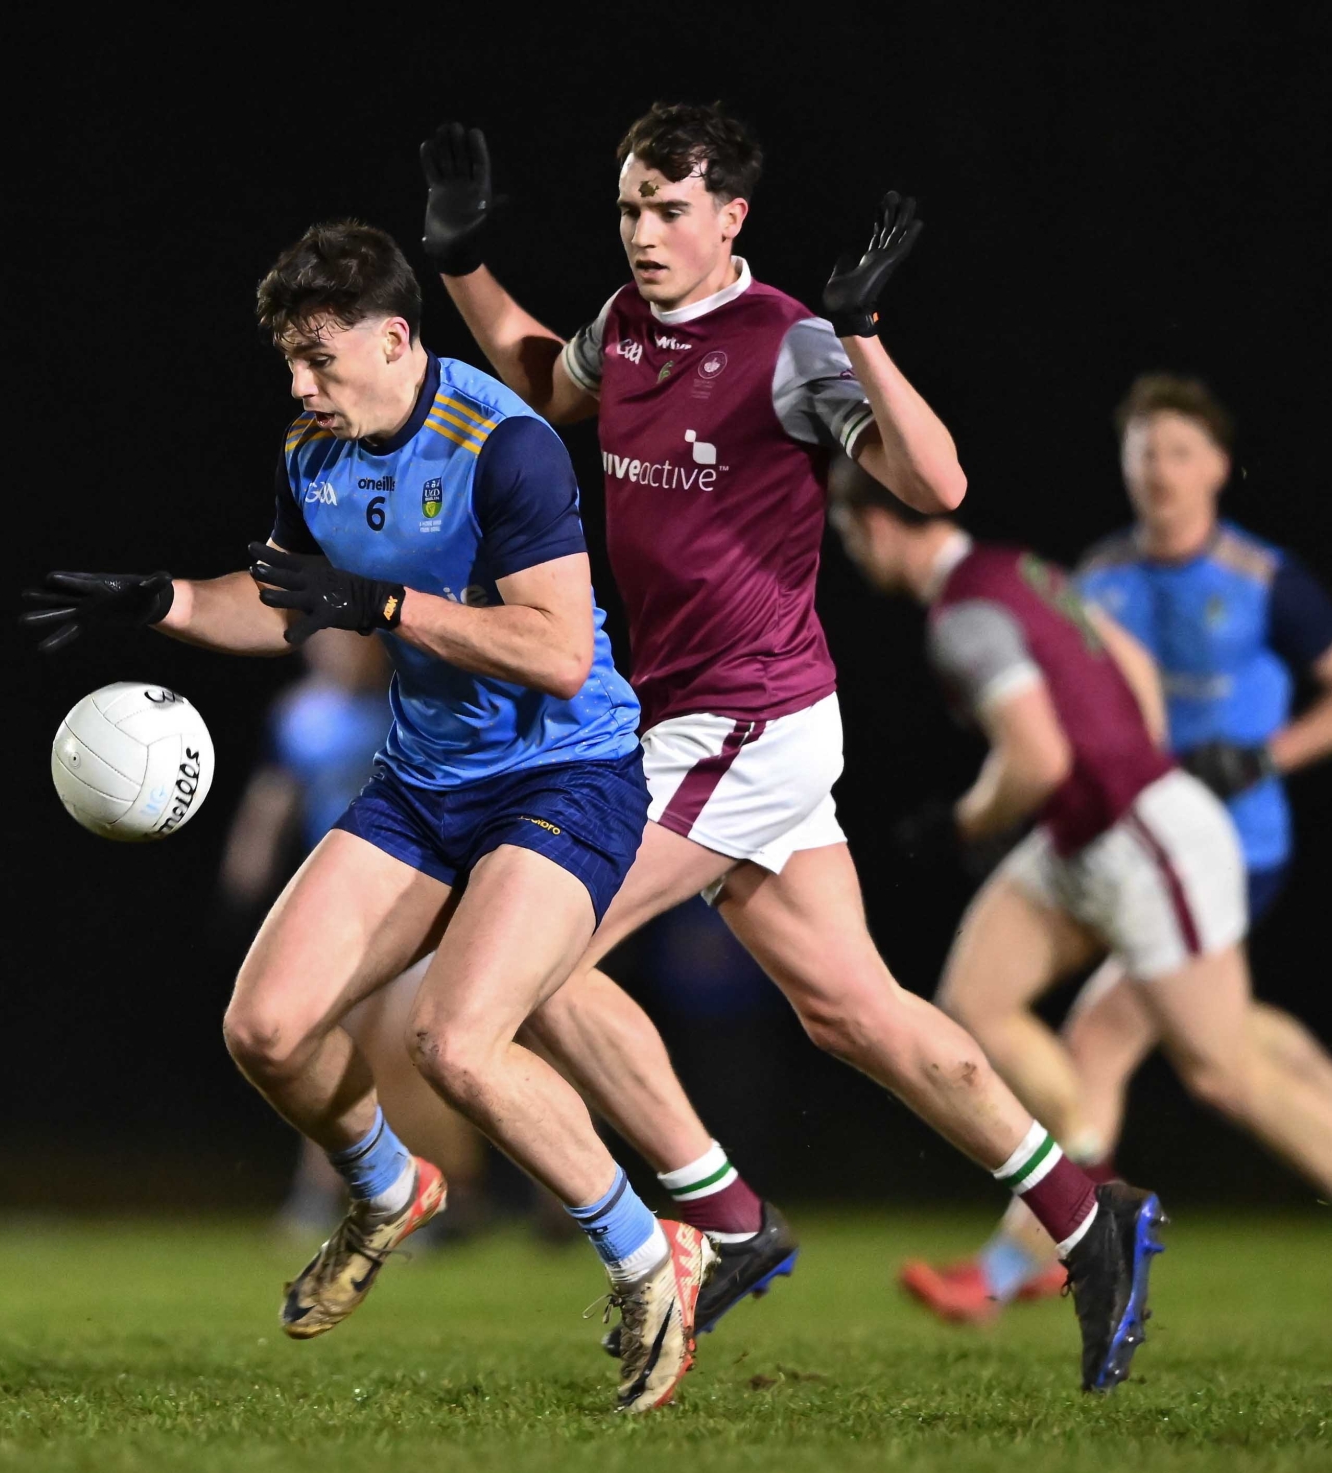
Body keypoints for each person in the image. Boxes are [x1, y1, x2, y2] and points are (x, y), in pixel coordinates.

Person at [424, 102, 1162, 1392]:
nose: (645, 233)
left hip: (745, 723)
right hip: (696, 722)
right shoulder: (630, 321)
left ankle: (720, 1216)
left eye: (669, 210)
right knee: (857, 1014)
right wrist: (461, 261)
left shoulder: (786, 344)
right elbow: (547, 388)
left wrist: (866, 336)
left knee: (525, 962)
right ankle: (1093, 1226)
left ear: (731, 219)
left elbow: (938, 487)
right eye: (629, 209)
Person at [22, 219, 715, 1414]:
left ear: (397, 339)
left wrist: (386, 603)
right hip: (426, 782)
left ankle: (654, 1256)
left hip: (564, 776)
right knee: (267, 1029)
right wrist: (163, 602)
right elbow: (287, 604)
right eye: (289, 360)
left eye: (318, 357)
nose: (299, 384)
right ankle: (392, 1189)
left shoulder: (507, 445)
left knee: (456, 1040)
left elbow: (556, 652)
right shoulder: (314, 447)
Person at [827, 475, 1332, 1328]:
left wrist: (963, 821)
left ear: (873, 523)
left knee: (1222, 1071)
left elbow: (1038, 759)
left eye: (848, 534)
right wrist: (1121, 756)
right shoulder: (1019, 568)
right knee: (975, 1004)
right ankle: (1084, 1197)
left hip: (1144, 843)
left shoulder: (963, 615)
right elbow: (1134, 663)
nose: (852, 555)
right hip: (1088, 836)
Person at [217, 631, 488, 1241]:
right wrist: (249, 856)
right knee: (317, 1039)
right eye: (325, 643)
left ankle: (457, 1193)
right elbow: (277, 790)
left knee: (411, 1048)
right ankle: (327, 1189)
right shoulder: (301, 714)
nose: (337, 653)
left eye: (348, 642)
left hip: (423, 893)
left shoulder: (411, 704)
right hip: (340, 903)